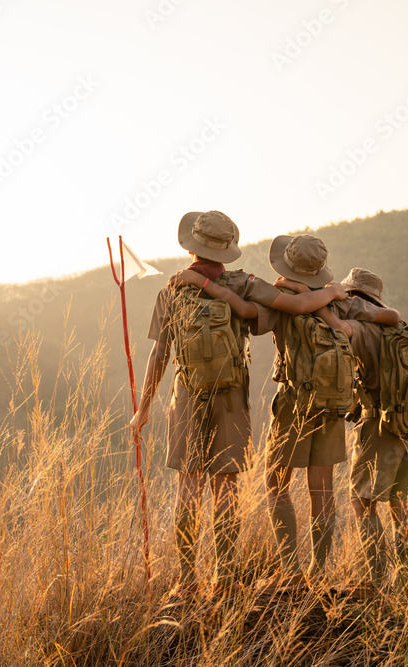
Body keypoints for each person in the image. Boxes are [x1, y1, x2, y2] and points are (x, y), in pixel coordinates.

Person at [129, 211, 348, 601]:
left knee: (189, 489)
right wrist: (329, 293)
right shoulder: (244, 284)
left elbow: (159, 353)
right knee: (226, 488)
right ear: (227, 251)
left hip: (187, 395)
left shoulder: (172, 290)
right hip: (231, 397)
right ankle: (226, 578)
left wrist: (143, 408)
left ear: (191, 245)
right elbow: (292, 307)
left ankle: (187, 579)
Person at [259, 237, 400, 586]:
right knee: (320, 489)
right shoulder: (345, 304)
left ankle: (290, 571)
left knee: (276, 484)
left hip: (292, 403)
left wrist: (288, 287)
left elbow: (254, 318)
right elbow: (392, 316)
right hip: (331, 405)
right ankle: (316, 572)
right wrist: (335, 295)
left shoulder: (282, 299)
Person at [327, 268, 408, 589]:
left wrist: (327, 296)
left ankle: (376, 579)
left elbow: (335, 324)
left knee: (362, 501)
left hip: (378, 425)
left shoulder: (362, 329)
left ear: (355, 297)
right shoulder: (406, 331)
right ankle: (406, 576)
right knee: (401, 503)